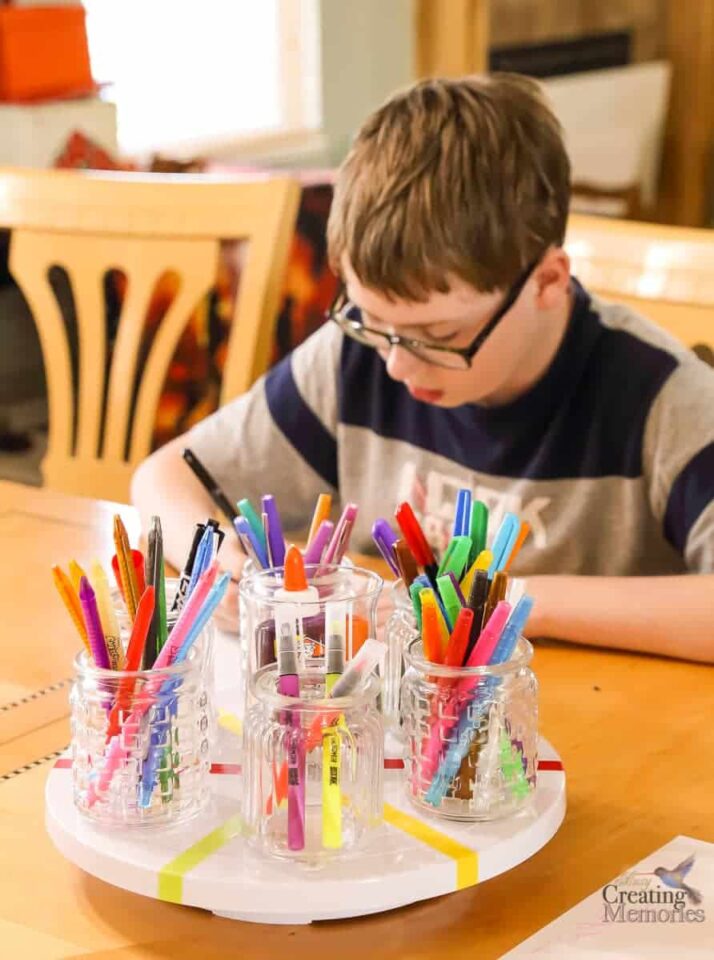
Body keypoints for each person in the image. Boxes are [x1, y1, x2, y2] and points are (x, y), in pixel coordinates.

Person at [132, 74, 714, 663]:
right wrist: (224, 560)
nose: (399, 365)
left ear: (547, 281)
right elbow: (162, 480)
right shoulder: (355, 355)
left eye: (441, 336)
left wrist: (509, 602)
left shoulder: (661, 397)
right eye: (372, 318)